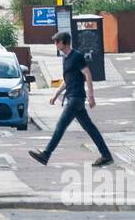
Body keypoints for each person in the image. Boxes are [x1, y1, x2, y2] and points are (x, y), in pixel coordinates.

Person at [29, 32, 113, 167]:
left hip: (76, 98)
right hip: (73, 97)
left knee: (60, 126)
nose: (55, 44)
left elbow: (87, 73)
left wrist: (91, 96)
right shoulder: (66, 58)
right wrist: (56, 94)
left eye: (57, 42)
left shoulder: (77, 56)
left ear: (65, 42)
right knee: (90, 128)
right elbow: (68, 80)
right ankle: (106, 155)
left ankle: (46, 154)